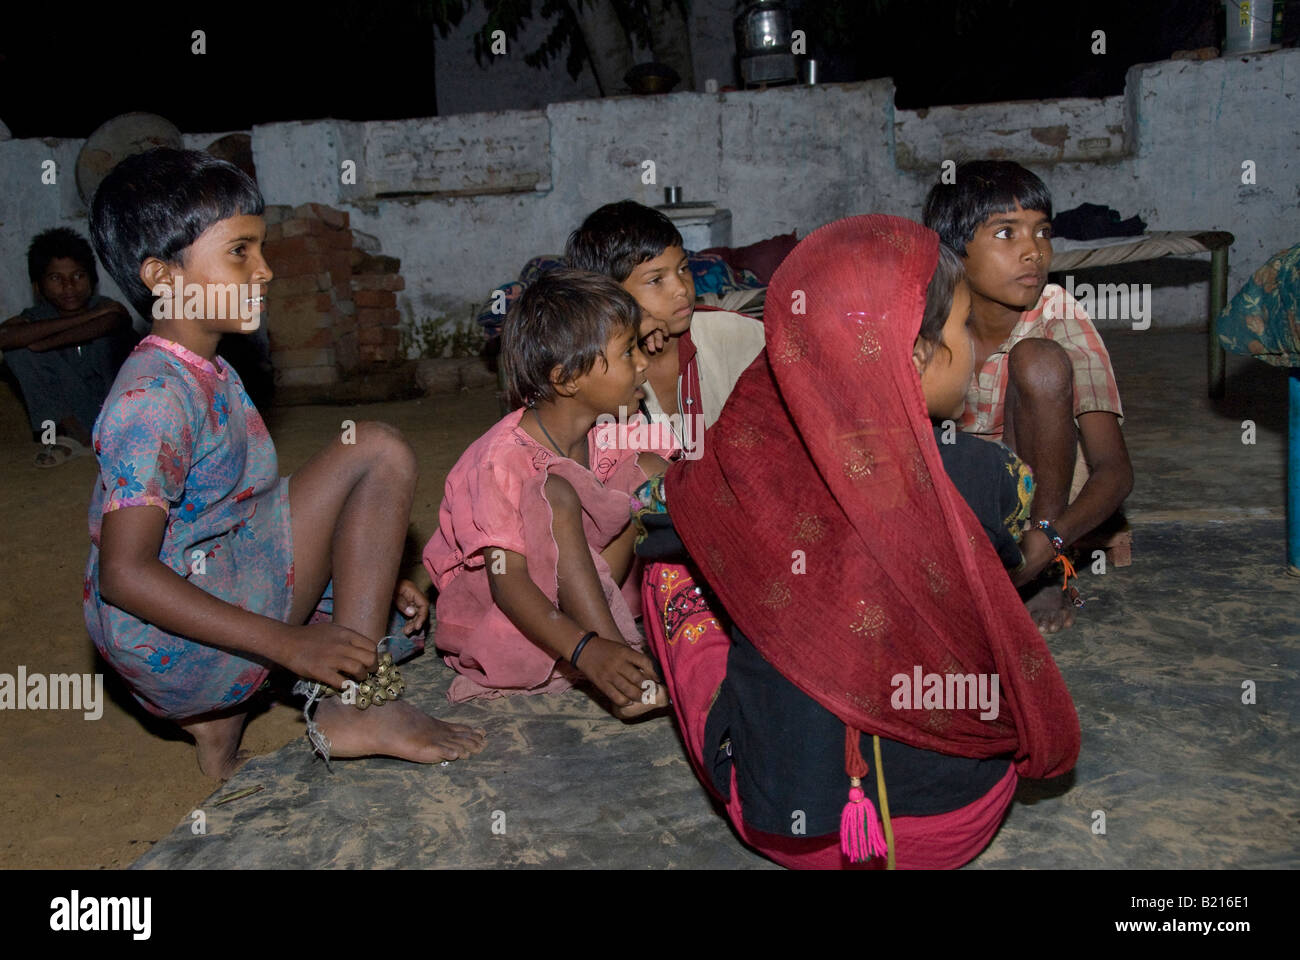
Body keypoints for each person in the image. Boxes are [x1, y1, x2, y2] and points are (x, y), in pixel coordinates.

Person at [633, 215, 1079, 869]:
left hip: (802, 839)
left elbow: (658, 520)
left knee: (668, 573)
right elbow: (1016, 540)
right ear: (917, 354)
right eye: (963, 329)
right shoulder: (986, 474)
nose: (981, 352)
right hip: (964, 820)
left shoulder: (742, 467)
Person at [85, 148, 484, 778]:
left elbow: (238, 514)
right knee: (376, 449)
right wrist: (290, 644)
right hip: (169, 642)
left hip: (180, 626)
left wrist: (358, 567)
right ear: (162, 276)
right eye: (240, 251)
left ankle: (220, 726)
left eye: (261, 249)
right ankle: (355, 708)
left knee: (385, 614)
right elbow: (124, 574)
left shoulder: (203, 368)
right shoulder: (153, 399)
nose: (265, 270)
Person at [423, 269, 671, 711]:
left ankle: (636, 627)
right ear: (568, 379)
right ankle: (618, 670)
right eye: (627, 352)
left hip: (576, 583)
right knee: (556, 490)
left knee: (654, 471)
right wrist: (585, 650)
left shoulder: (614, 428)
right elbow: (509, 585)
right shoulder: (499, 461)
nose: (642, 364)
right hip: (511, 614)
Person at [923, 160, 1134, 632]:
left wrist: (1048, 538)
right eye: (1006, 234)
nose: (1033, 252)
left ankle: (1043, 578)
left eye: (1042, 233)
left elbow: (1114, 470)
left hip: (1046, 486)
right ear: (955, 251)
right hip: (965, 479)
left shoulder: (1057, 312)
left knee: (1038, 359)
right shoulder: (926, 317)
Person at [566, 201, 766, 457]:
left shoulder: (733, 334)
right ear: (610, 295)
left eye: (683, 268)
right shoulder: (593, 368)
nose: (681, 288)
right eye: (656, 280)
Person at [0, 227, 134, 466]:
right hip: (73, 415)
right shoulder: (38, 315)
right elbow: (5, 338)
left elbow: (111, 321)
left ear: (93, 280)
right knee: (18, 350)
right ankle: (74, 437)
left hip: (119, 412)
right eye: (55, 278)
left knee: (111, 339)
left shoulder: (108, 310)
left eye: (78, 276)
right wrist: (81, 319)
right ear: (37, 287)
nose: (69, 286)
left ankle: (113, 438)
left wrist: (40, 341)